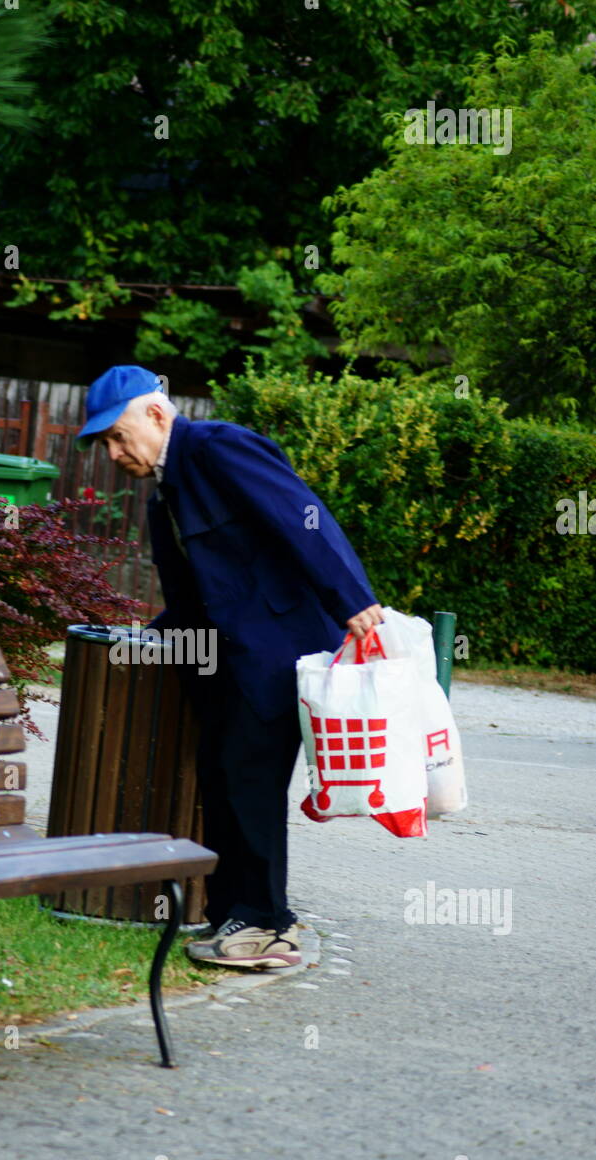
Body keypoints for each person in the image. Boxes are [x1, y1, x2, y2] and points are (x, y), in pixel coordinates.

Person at [77, 365, 382, 970]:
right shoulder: (162, 498)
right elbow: (192, 600)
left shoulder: (220, 448)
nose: (112, 453)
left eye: (116, 436)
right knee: (222, 776)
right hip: (224, 661)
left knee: (248, 779)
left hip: (277, 650)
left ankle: (270, 926)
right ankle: (233, 920)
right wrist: (146, 638)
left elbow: (303, 515)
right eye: (104, 444)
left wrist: (353, 600)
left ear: (157, 415)